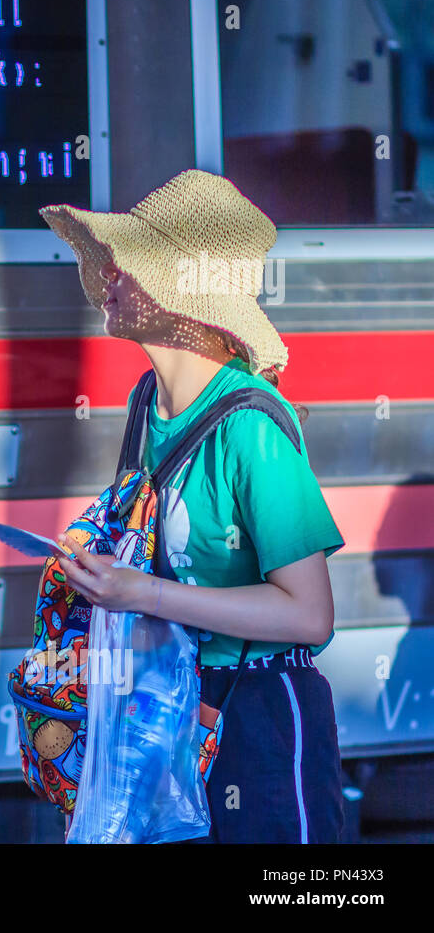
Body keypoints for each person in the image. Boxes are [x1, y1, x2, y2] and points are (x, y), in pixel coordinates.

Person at [38, 170, 346, 843]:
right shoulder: (148, 400)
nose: (108, 277)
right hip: (171, 707)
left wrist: (139, 591)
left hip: (257, 720)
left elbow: (308, 612)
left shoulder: (251, 429)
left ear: (181, 292)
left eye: (129, 264)